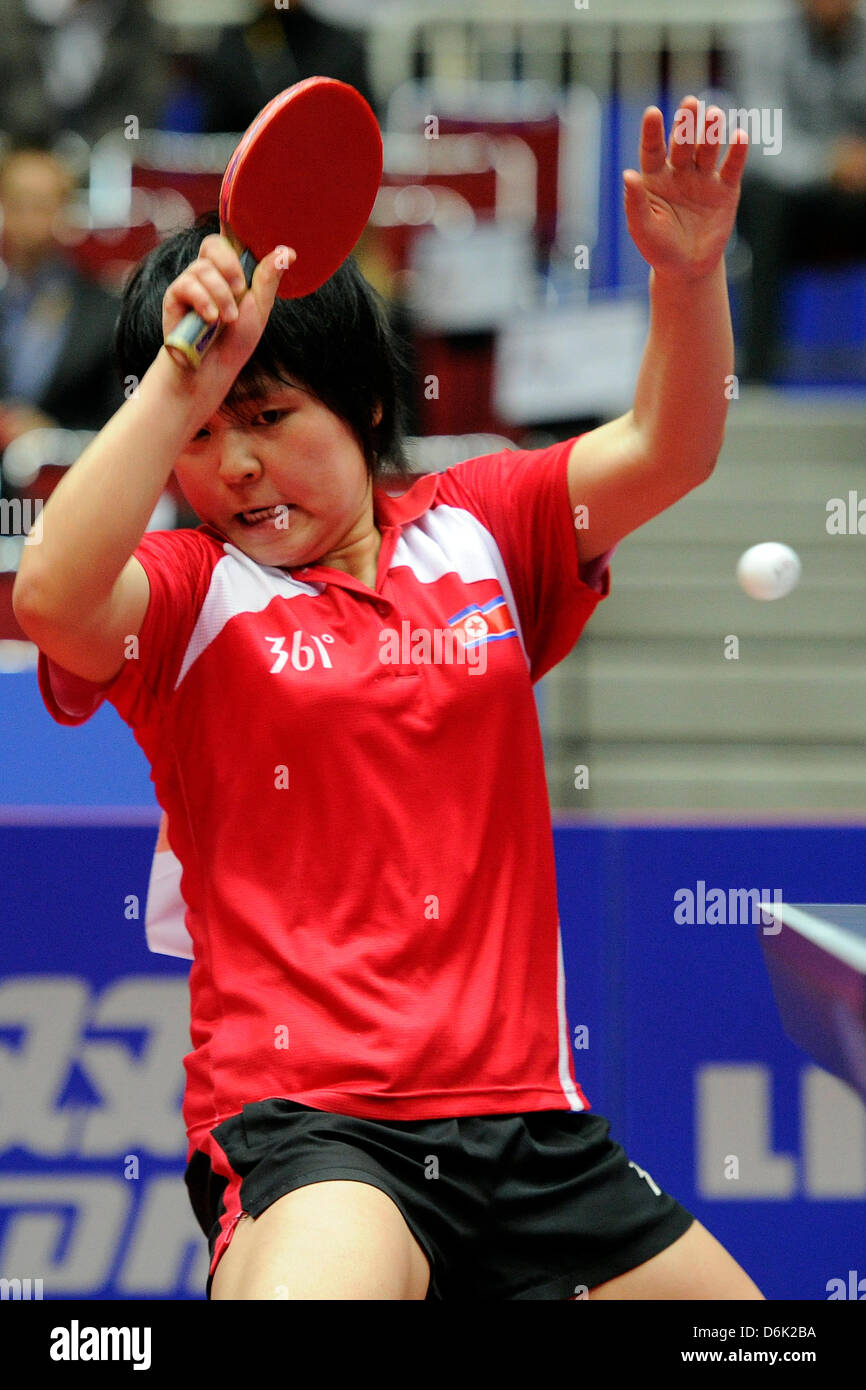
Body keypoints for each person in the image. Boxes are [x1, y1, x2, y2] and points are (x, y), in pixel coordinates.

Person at [14, 96, 763, 1300]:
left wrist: (687, 274)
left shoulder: (483, 526)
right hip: (319, 1129)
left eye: (267, 417)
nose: (235, 463)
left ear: (363, 401)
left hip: (530, 1126)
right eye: (202, 437)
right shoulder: (189, 594)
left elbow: (669, 447)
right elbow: (49, 594)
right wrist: (179, 371)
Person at [726, 0, 866, 381]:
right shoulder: (761, 38)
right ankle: (757, 380)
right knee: (763, 201)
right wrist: (831, 162)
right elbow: (762, 144)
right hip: (790, 202)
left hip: (856, 197)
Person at [0, 143, 124, 450]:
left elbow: (121, 427)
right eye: (17, 203)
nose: (28, 219)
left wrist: (52, 439)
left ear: (66, 210)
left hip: (66, 479)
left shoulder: (106, 313)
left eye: (41, 204)